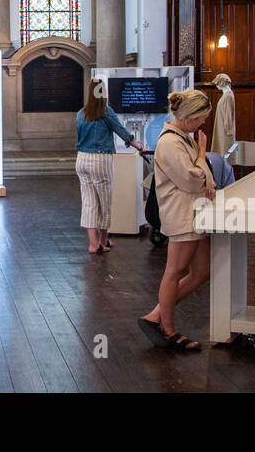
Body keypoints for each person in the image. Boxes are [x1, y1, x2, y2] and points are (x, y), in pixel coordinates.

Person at [139, 89, 216, 351]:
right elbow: (193, 178)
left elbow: (199, 175)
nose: (203, 123)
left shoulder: (184, 138)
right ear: (189, 116)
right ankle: (168, 329)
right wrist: (202, 155)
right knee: (175, 271)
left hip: (195, 212)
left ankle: (156, 315)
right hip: (183, 213)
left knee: (202, 272)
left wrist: (200, 159)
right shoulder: (170, 143)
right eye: (201, 118)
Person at [75, 79, 144, 253]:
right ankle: (103, 241)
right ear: (103, 92)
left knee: (89, 202)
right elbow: (122, 132)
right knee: (104, 203)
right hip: (100, 160)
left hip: (82, 159)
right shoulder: (106, 112)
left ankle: (92, 244)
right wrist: (140, 147)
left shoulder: (80, 113)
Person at [211, 74, 235, 155]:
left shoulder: (228, 96)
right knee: (222, 151)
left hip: (224, 130)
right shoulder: (227, 95)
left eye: (217, 83)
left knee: (224, 151)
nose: (216, 85)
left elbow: (228, 114)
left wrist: (228, 129)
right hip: (222, 127)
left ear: (221, 83)